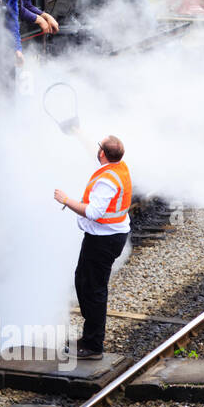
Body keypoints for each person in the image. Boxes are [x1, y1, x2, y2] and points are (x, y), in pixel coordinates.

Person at [53, 134, 130, 360]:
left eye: (99, 147)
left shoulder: (107, 181)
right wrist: (77, 132)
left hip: (103, 240)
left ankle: (93, 345)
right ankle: (89, 338)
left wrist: (66, 200)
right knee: (84, 282)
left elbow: (94, 212)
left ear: (103, 153)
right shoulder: (119, 166)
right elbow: (94, 153)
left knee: (94, 290)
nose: (96, 150)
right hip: (107, 237)